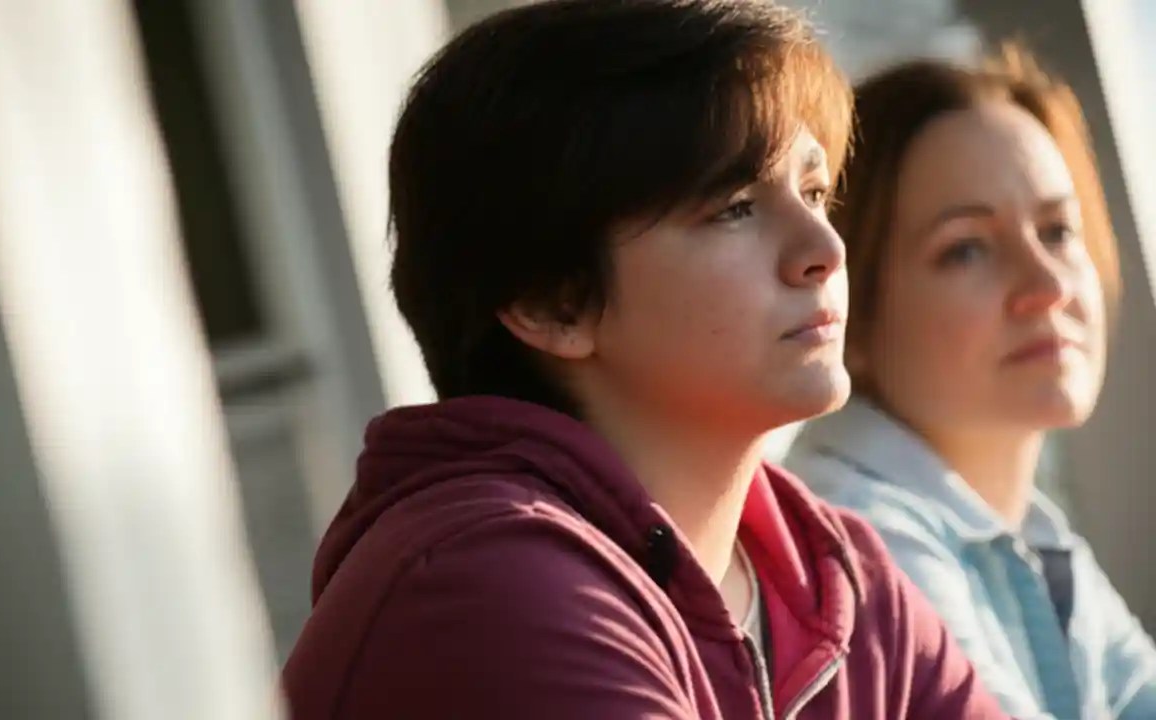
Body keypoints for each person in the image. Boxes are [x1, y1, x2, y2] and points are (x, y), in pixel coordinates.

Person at [283, 2, 1009, 717]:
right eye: (734, 207)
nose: (825, 250)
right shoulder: (488, 583)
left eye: (815, 192)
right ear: (553, 304)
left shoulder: (838, 578)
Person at [785, 47, 1156, 719]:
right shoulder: (860, 546)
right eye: (966, 249)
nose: (1047, 285)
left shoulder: (1034, 539)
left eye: (1057, 230)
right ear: (849, 311)